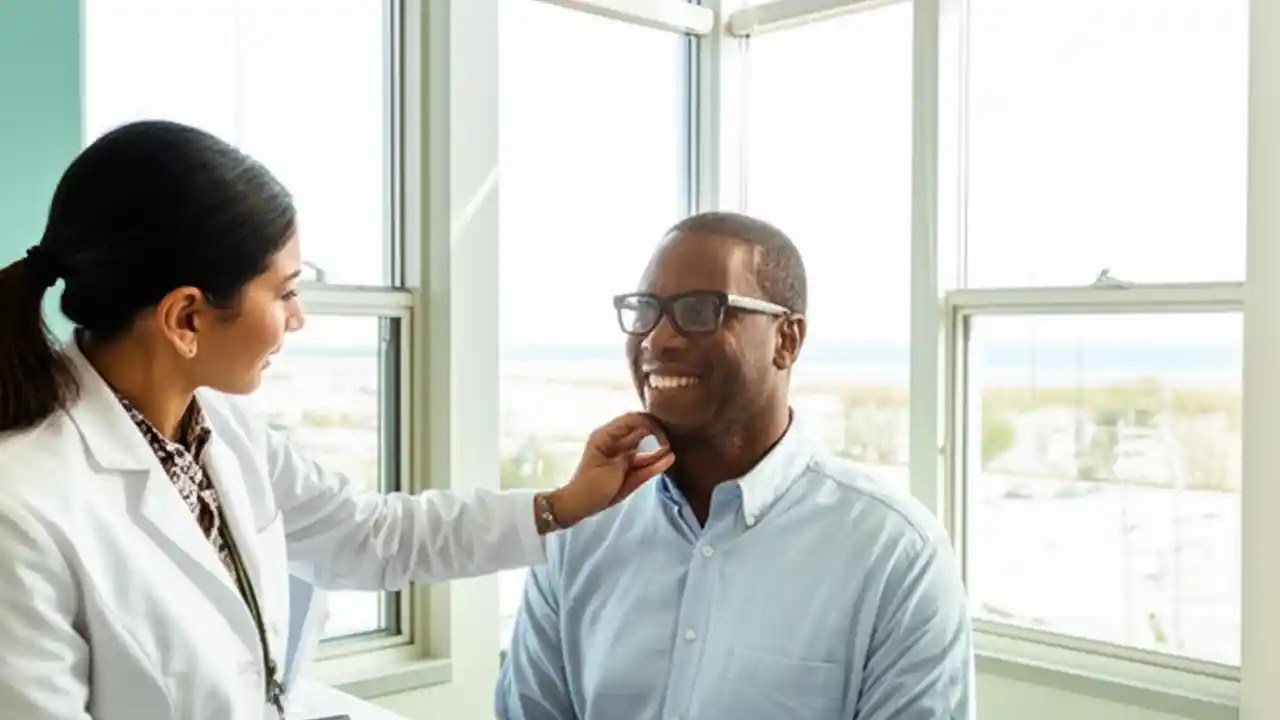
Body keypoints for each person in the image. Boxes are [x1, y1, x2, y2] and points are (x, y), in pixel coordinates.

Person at [0, 120, 673, 720]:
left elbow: (371, 535)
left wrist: (560, 506)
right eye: (285, 291)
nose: (297, 318)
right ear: (186, 318)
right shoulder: (23, 510)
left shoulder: (224, 432)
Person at [496, 212, 973, 720]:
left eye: (700, 310)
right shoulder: (582, 532)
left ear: (786, 340)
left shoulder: (895, 555)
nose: (658, 340)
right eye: (646, 310)